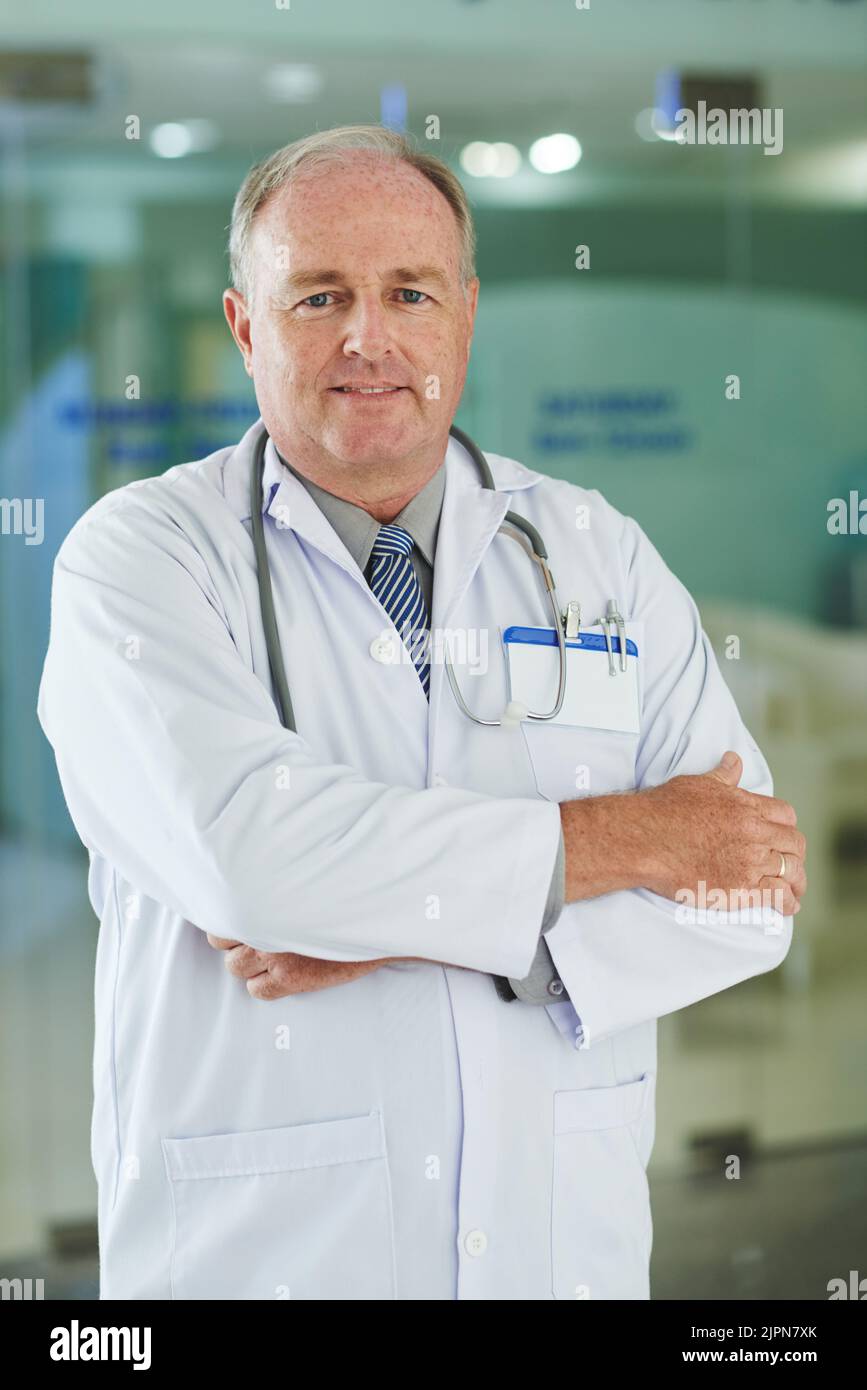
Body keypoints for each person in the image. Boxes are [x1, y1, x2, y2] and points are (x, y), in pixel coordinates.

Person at [37, 124, 806, 1301]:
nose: (369, 338)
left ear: (466, 312)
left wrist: (389, 924)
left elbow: (751, 893)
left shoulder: (599, 552)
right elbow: (255, 863)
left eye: (409, 291)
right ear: (246, 327)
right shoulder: (140, 563)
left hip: (563, 1260)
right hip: (269, 1260)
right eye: (319, 297)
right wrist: (635, 840)